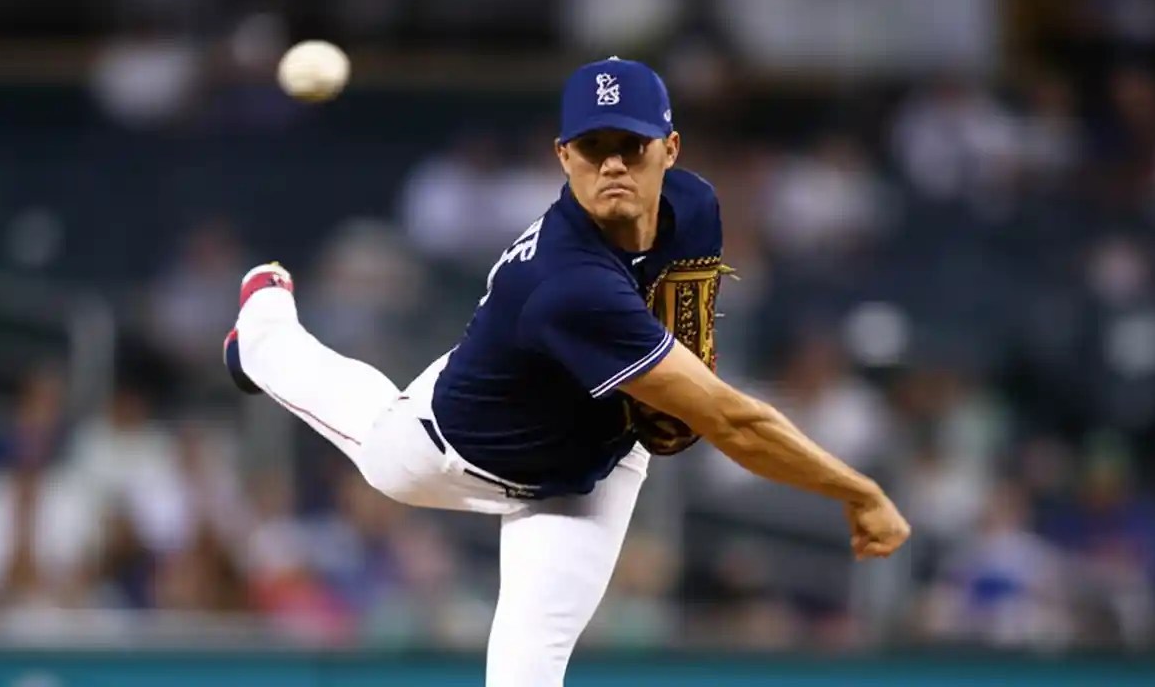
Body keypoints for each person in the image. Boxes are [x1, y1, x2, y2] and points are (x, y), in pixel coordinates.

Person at [223, 57, 910, 686]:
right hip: (453, 451)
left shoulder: (693, 206)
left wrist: (677, 384)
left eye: (631, 146)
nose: (612, 165)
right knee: (369, 426)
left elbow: (690, 360)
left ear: (669, 150)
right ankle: (261, 333)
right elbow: (731, 419)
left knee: (527, 673)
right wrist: (856, 492)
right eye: (592, 148)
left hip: (591, 466)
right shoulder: (568, 283)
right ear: (564, 158)